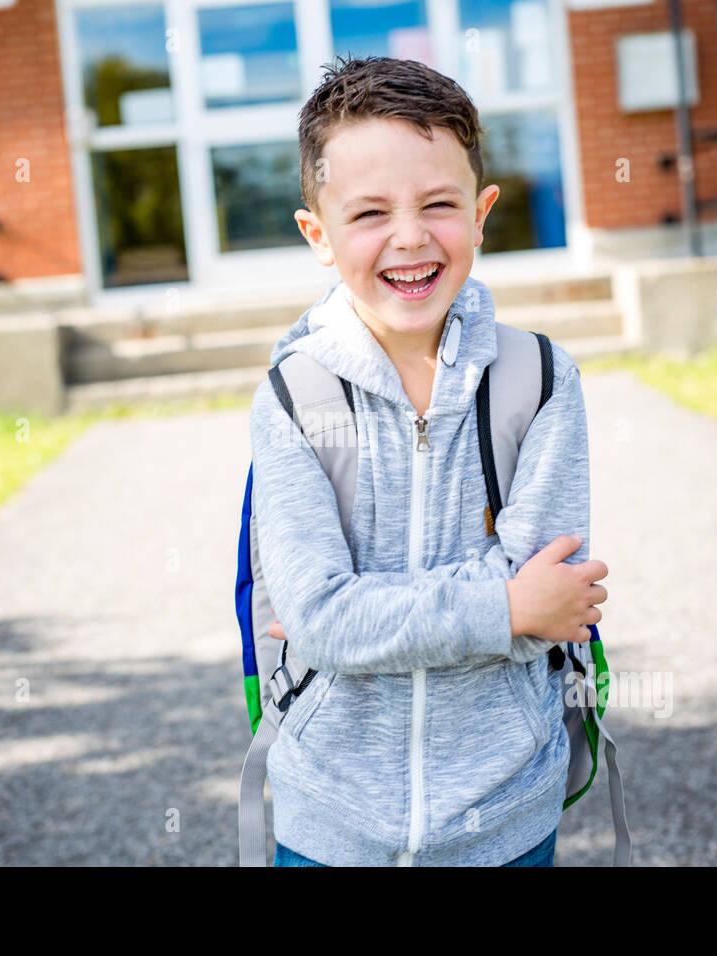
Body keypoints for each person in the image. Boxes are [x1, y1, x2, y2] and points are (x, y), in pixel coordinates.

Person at [248, 54, 609, 867]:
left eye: (439, 205)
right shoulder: (293, 397)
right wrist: (504, 604)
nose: (409, 237)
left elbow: (551, 610)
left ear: (481, 214)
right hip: (328, 824)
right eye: (369, 212)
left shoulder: (540, 379)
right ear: (318, 233)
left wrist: (361, 613)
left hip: (505, 816)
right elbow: (320, 621)